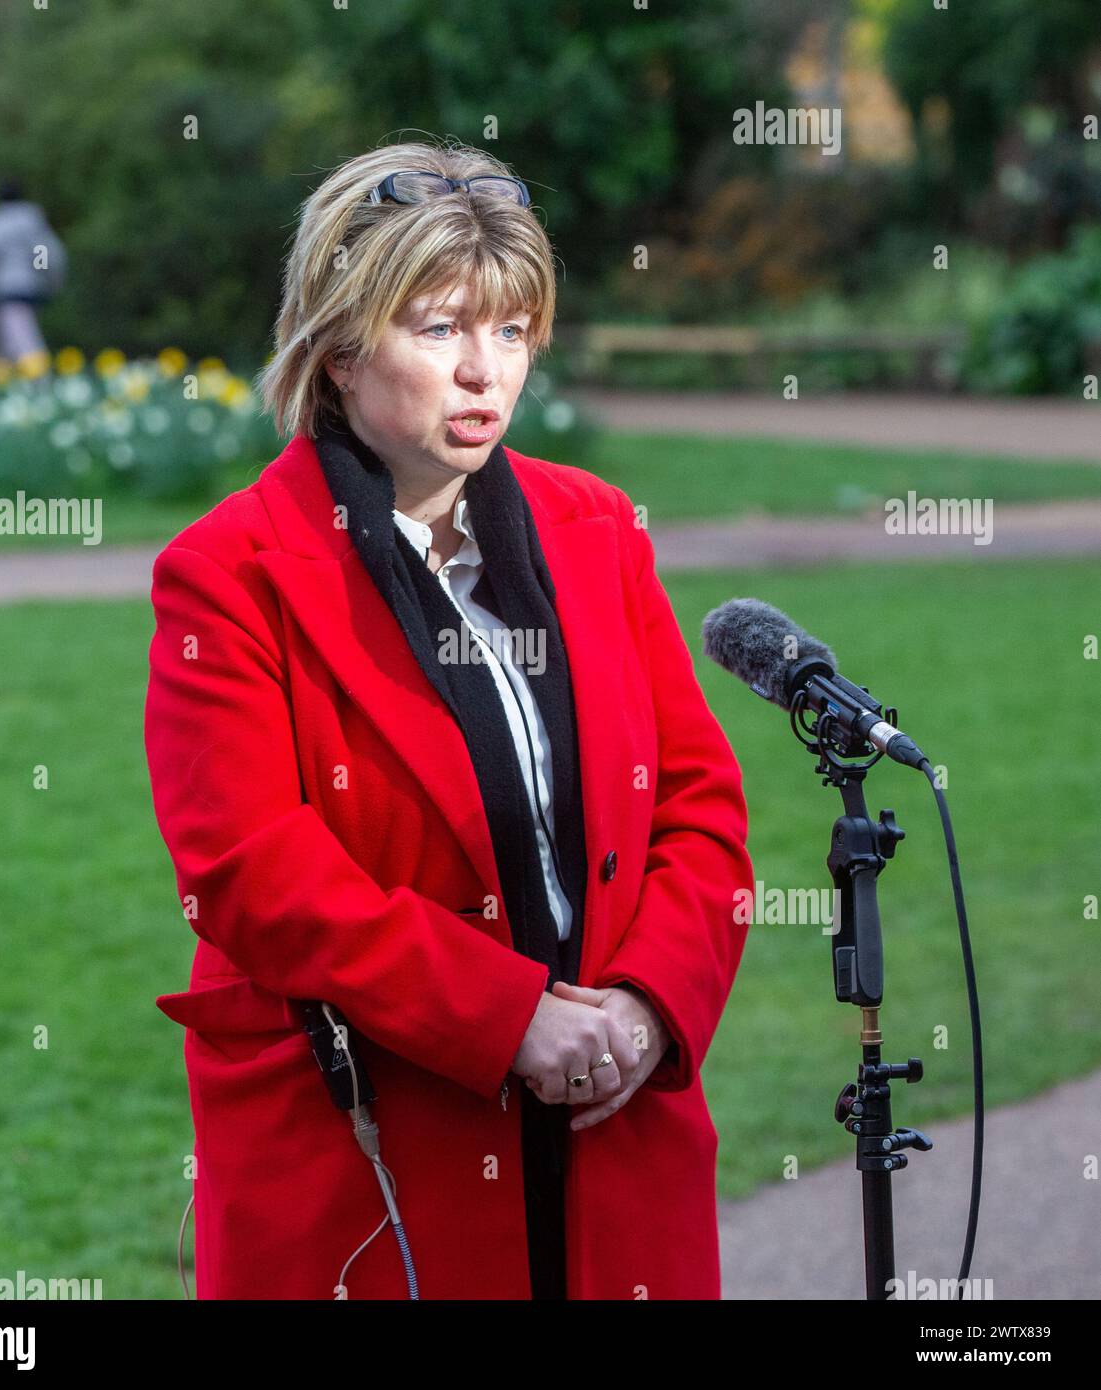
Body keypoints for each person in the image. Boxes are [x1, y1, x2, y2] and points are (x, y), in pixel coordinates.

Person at [144, 139, 754, 1301]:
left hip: (608, 1125)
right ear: (333, 350)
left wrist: (643, 1007)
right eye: (437, 329)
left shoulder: (596, 527)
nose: (485, 371)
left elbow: (696, 805)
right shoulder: (227, 573)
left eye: (510, 331)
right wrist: (507, 1018)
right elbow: (248, 871)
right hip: (368, 1147)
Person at [0, 177, 67, 363]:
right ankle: (2, 384)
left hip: (5, 289)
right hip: (31, 287)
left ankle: (39, 380)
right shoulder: (32, 219)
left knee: (22, 340)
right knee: (7, 342)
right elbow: (46, 253)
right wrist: (50, 278)